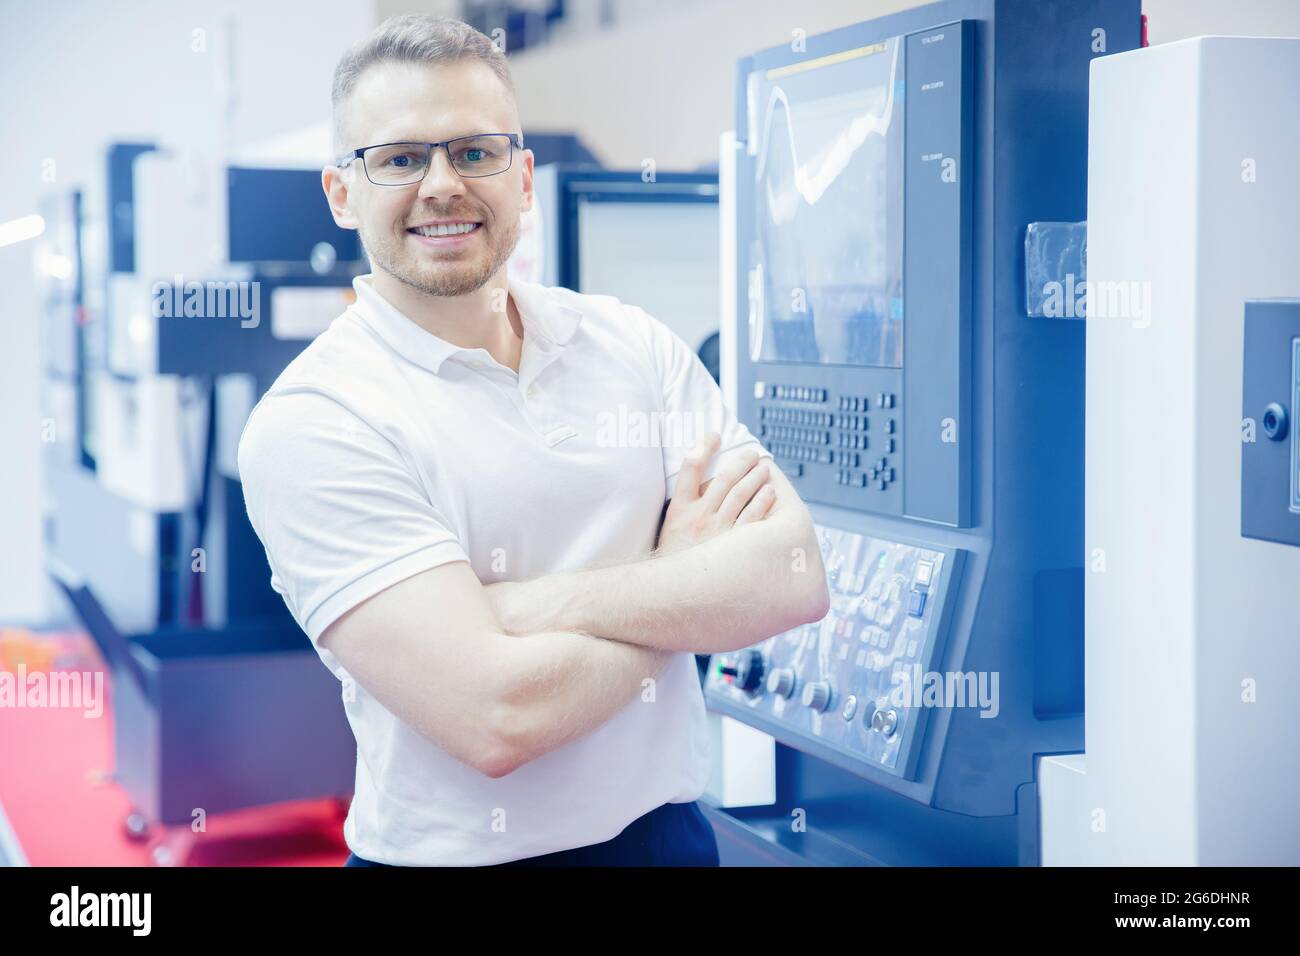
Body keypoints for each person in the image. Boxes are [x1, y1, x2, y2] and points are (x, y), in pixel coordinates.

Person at [237, 14, 829, 867]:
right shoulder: (317, 419)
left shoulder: (631, 343)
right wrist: (681, 587)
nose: (443, 185)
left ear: (522, 177)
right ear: (341, 192)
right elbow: (497, 718)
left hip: (669, 840)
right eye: (402, 158)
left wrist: (518, 610)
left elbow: (794, 575)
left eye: (474, 152)